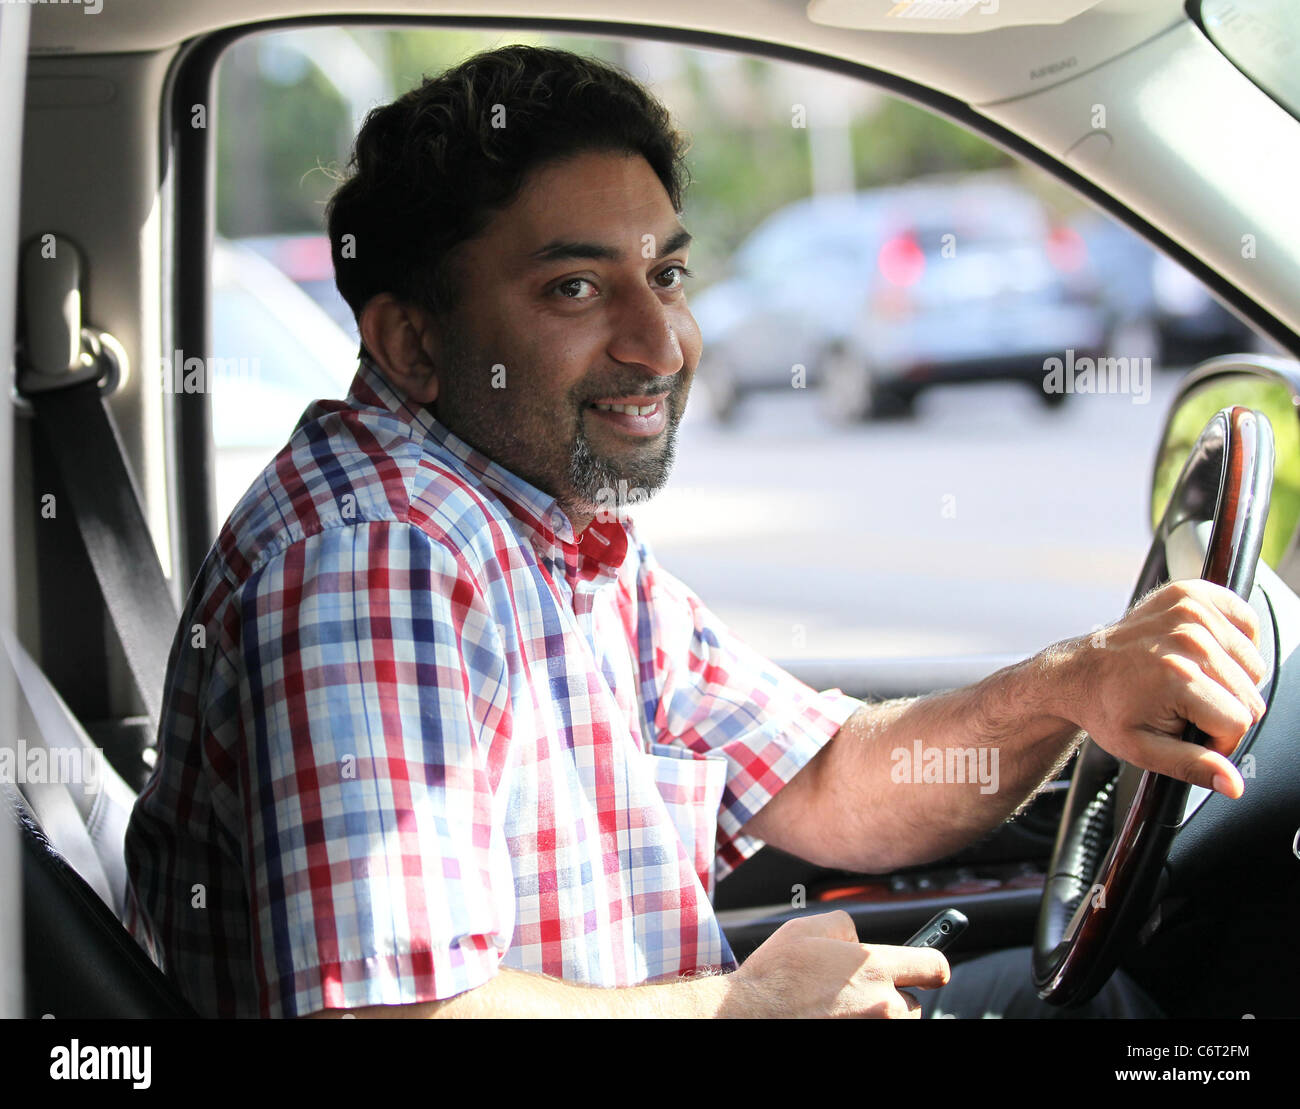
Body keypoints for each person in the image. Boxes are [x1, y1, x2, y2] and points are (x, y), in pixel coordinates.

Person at [122, 45, 1266, 1020]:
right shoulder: (378, 557)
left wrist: (1072, 685)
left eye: (666, 272)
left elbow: (827, 779)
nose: (660, 343)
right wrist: (735, 1004)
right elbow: (385, 1013)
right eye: (575, 289)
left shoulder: (553, 525)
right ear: (413, 343)